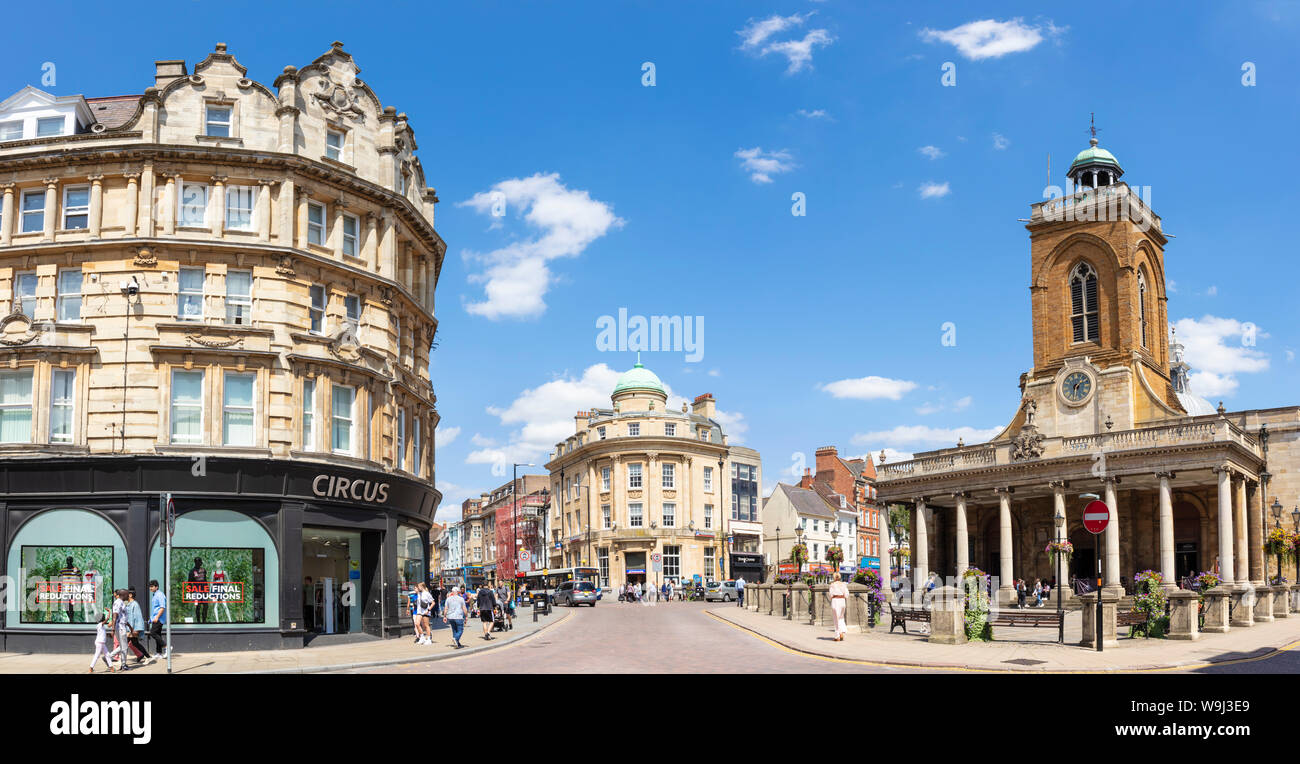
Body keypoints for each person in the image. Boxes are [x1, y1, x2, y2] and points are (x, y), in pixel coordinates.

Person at [125, 587, 153, 664]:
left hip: (133, 629)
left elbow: (138, 618)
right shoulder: (128, 604)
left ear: (130, 595)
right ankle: (148, 657)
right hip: (129, 628)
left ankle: (113, 658)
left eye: (126, 594)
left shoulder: (135, 604)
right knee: (135, 643)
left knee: (124, 643)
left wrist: (137, 629)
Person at [147, 579, 169, 658]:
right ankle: (159, 653)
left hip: (159, 619)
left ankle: (166, 647)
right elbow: (155, 609)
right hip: (155, 618)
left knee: (153, 633)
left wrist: (156, 617)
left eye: (152, 587)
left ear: (157, 587)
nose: (150, 588)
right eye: (150, 587)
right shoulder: (155, 595)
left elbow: (162, 607)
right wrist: (151, 618)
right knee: (158, 634)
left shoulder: (160, 595)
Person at [188, 557, 209, 624]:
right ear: (195, 562)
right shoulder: (192, 571)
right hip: (196, 590)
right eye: (197, 562)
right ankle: (198, 621)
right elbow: (189, 582)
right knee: (198, 605)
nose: (199, 563)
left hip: (204, 590)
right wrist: (191, 591)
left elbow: (205, 580)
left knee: (206, 605)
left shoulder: (203, 570)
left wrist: (207, 589)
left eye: (200, 562)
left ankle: (204, 620)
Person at [829, 573, 850, 642]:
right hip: (842, 601)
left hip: (835, 601)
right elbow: (846, 595)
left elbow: (831, 595)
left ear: (834, 577)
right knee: (841, 617)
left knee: (836, 619)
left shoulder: (832, 585)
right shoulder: (844, 584)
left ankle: (837, 636)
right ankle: (841, 632)